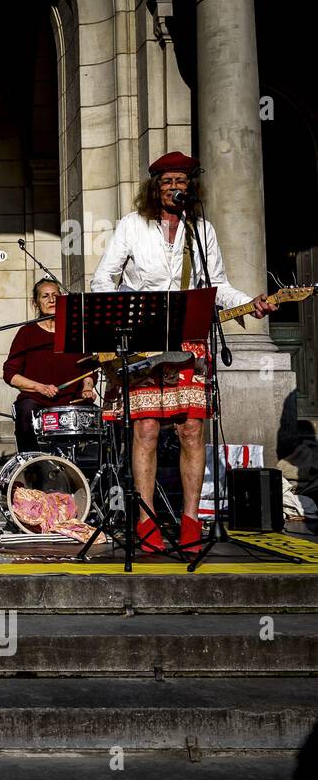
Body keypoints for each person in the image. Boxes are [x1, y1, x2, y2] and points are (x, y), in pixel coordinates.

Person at [89, 150, 276, 552]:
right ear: (155, 187)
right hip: (141, 340)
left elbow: (218, 286)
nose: (176, 187)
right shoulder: (131, 226)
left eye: (182, 181)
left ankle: (191, 520)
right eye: (168, 181)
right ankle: (146, 520)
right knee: (147, 428)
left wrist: (250, 301)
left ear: (191, 186)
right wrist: (121, 321)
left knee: (191, 429)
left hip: (189, 340)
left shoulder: (201, 230)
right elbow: (104, 277)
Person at [2, 277, 96, 452]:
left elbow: (89, 368)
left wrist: (87, 387)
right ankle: (33, 467)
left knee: (103, 420)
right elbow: (10, 374)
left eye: (55, 295)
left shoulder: (75, 330)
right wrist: (40, 387)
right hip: (37, 400)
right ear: (36, 302)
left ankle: (97, 473)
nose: (52, 300)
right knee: (24, 412)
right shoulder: (27, 333)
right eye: (45, 296)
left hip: (72, 400)